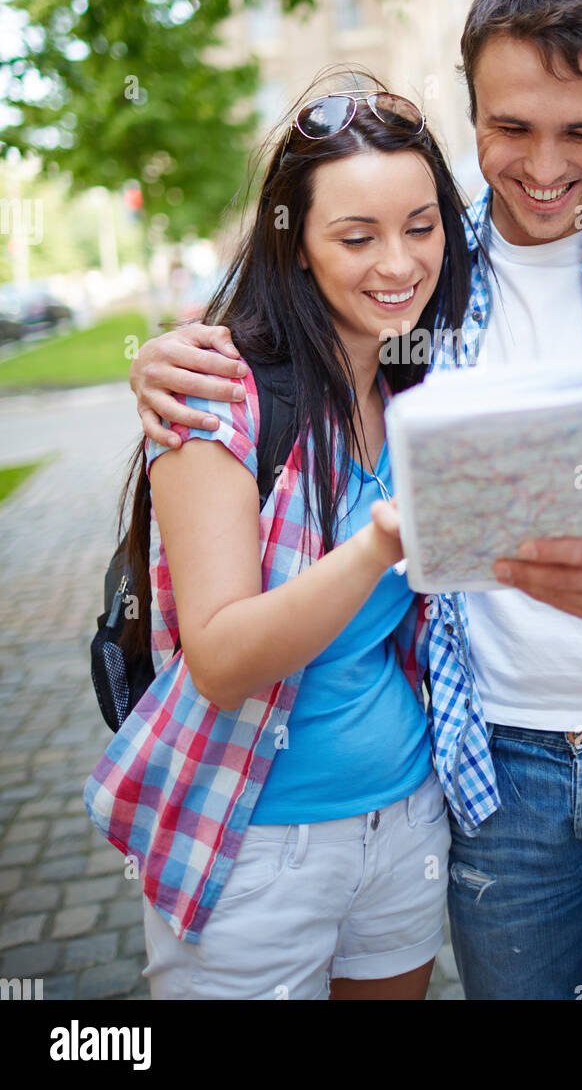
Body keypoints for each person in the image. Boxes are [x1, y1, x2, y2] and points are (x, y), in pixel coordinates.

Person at [129, 0, 582, 1001]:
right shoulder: (421, 265)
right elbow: (285, 312)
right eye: (510, 128)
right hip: (488, 768)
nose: (542, 166)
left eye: (580, 133)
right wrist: (152, 356)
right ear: (470, 107)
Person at [85, 70, 477, 1000]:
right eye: (357, 236)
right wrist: (385, 541)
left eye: (421, 227)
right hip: (254, 845)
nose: (399, 263)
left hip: (407, 822)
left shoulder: (416, 385)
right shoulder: (220, 395)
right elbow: (220, 661)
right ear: (294, 246)